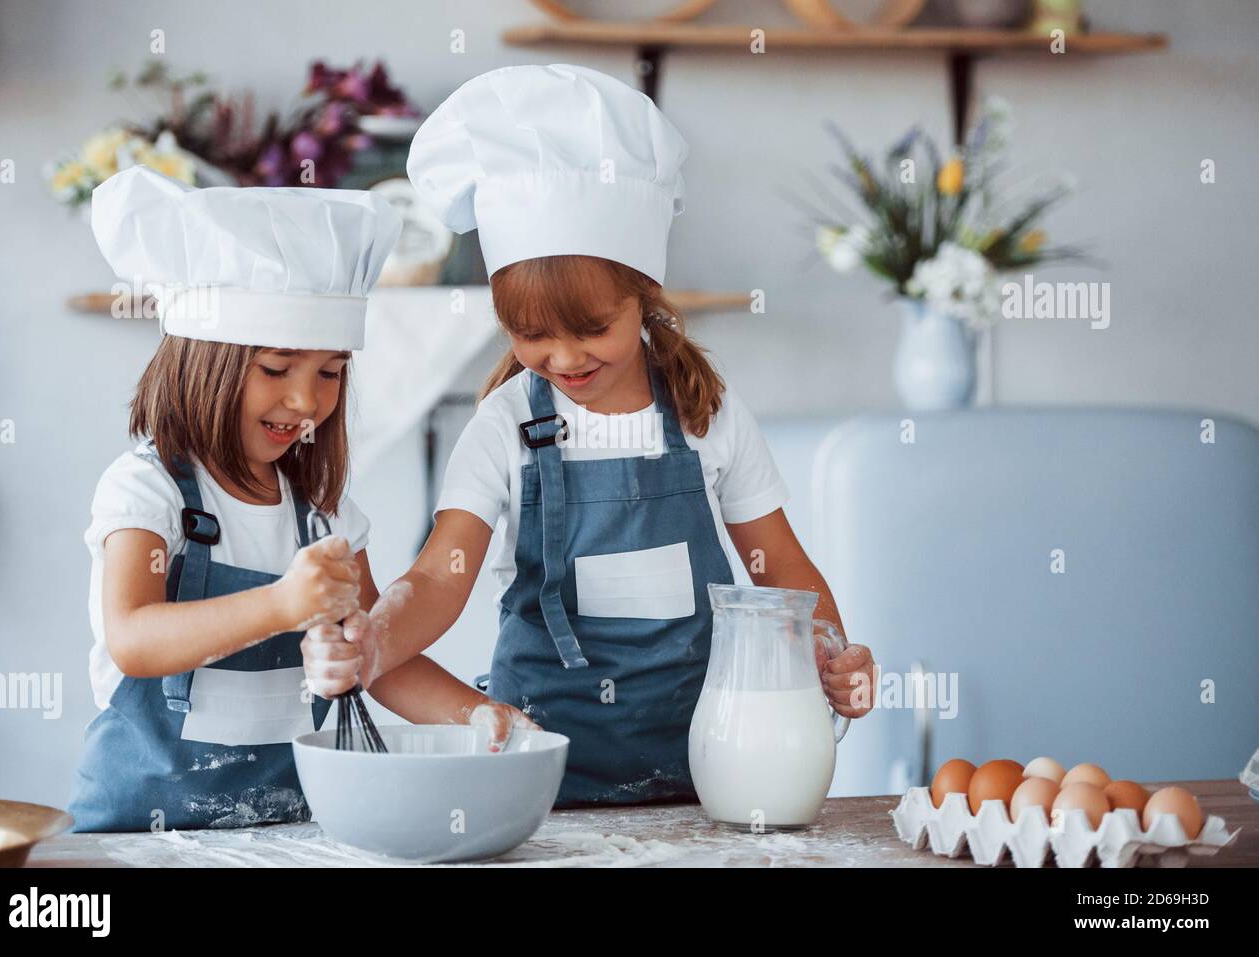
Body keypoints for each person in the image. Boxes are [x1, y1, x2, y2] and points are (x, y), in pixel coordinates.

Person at [303, 64, 876, 807]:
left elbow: (784, 572)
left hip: (705, 772)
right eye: (531, 334)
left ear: (644, 297)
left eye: (593, 329)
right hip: (538, 774)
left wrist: (832, 652)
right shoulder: (506, 426)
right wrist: (377, 636)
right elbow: (441, 577)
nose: (565, 359)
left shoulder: (706, 414)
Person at [68, 166, 531, 832]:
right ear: (205, 360)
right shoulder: (148, 489)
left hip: (289, 832)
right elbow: (135, 638)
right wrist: (283, 603)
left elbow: (377, 654)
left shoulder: (322, 508)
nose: (305, 399)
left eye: (331, 372)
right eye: (277, 368)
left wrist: (478, 713)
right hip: (143, 834)